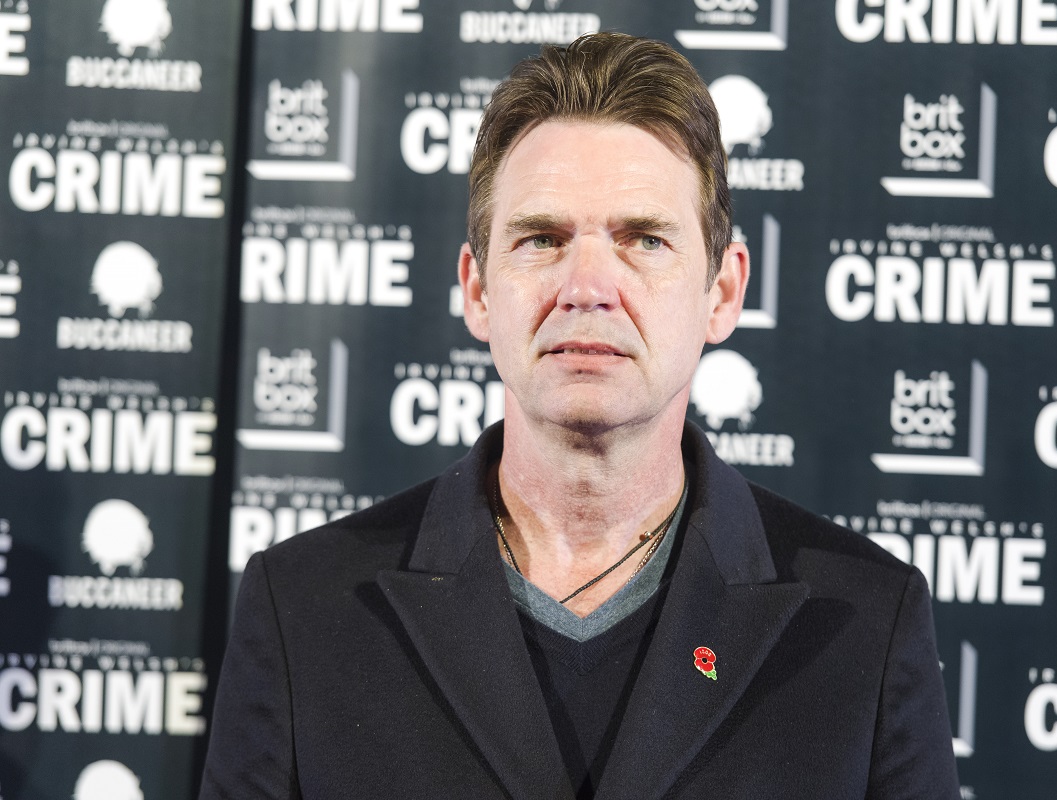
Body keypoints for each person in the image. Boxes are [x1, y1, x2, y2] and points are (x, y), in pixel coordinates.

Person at [201, 32, 960, 799]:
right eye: (542, 239)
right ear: (477, 291)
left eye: (644, 240)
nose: (588, 287)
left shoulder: (867, 624)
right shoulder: (303, 610)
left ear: (722, 293)